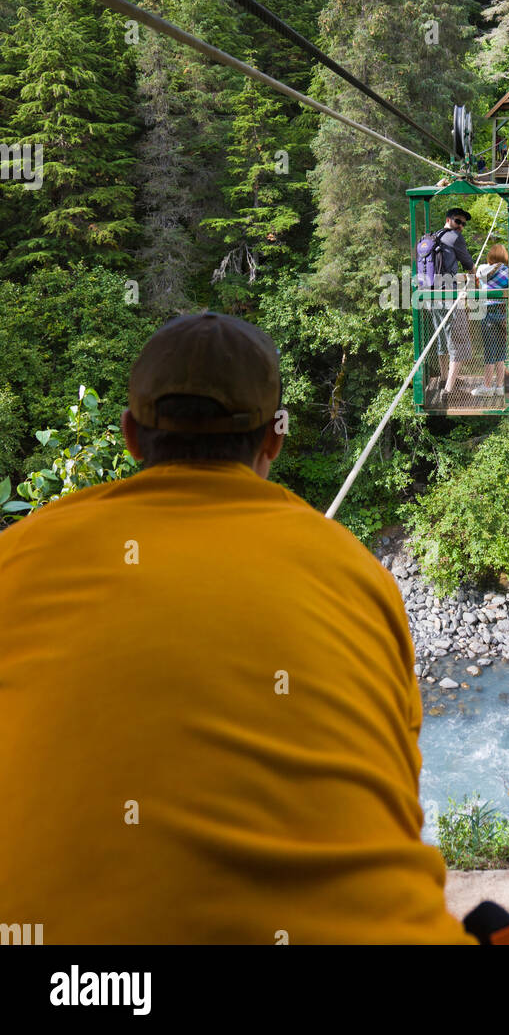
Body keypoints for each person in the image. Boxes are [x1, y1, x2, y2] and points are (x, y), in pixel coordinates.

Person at [0, 312, 480, 945]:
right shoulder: (358, 575)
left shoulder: (21, 556)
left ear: (130, 436)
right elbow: (395, 789)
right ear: (272, 440)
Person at [430, 207, 476, 400]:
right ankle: (449, 390)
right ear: (448, 219)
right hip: (448, 295)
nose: (461, 227)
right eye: (458, 221)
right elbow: (469, 265)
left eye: (464, 224)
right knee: (458, 339)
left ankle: (443, 378)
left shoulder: (432, 237)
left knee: (442, 337)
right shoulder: (454, 238)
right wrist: (475, 279)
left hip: (431, 296)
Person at [471, 243, 509, 399]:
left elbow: (476, 275)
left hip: (487, 313)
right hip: (501, 314)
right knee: (501, 350)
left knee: (489, 351)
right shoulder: (507, 272)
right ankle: (500, 386)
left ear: (490, 256)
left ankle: (487, 386)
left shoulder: (482, 269)